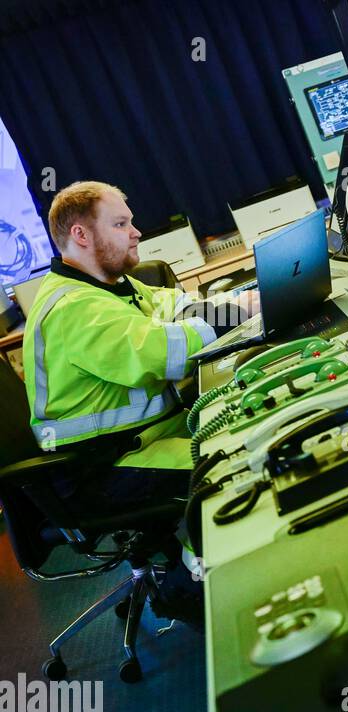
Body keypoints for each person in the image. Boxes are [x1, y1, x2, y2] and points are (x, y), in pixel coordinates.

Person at [21, 181, 254, 623]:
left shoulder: (109, 286)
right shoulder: (74, 308)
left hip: (141, 441)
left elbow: (176, 308)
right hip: (98, 469)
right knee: (231, 470)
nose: (137, 232)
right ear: (82, 236)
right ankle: (187, 589)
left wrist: (237, 303)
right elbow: (161, 352)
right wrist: (241, 312)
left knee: (242, 433)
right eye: (121, 223)